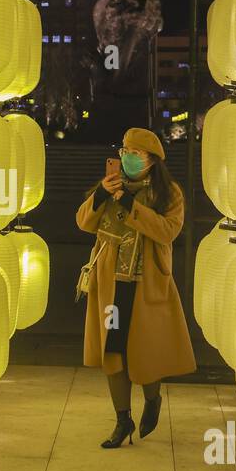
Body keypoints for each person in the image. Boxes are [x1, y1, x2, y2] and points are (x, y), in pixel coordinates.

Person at [75, 128, 197, 448]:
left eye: (135, 153)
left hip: (146, 287)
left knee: (145, 351)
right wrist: (102, 194)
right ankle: (122, 420)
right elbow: (84, 222)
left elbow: (167, 231)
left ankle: (153, 400)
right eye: (124, 150)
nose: (126, 157)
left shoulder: (168, 194)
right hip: (112, 288)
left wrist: (129, 205)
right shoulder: (111, 186)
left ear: (152, 160)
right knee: (113, 350)